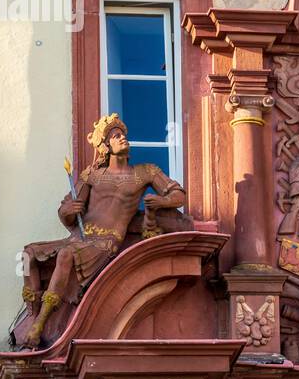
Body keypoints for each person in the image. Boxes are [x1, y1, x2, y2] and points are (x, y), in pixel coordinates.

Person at [20, 114, 185, 346]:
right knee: (27, 254)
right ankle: (33, 314)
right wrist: (70, 208)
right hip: (81, 236)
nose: (123, 138)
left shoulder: (145, 172)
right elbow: (65, 212)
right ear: (106, 146)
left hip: (106, 242)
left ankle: (39, 325)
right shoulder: (92, 175)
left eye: (123, 135)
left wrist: (160, 202)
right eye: (116, 136)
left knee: (66, 256)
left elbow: (178, 195)